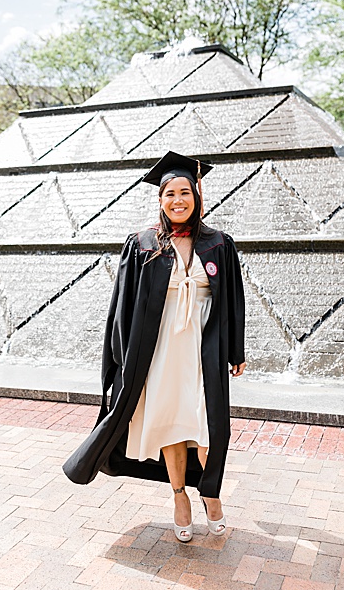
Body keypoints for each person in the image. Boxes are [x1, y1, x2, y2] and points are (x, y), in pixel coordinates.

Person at [63, 151, 247, 543]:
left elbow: (233, 300)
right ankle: (179, 497)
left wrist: (236, 350)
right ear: (160, 200)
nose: (178, 200)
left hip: (202, 351)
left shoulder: (218, 244)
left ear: (197, 196)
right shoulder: (141, 244)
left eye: (185, 192)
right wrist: (121, 358)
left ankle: (210, 493)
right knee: (172, 427)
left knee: (209, 427)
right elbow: (122, 306)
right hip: (159, 353)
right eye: (170, 195)